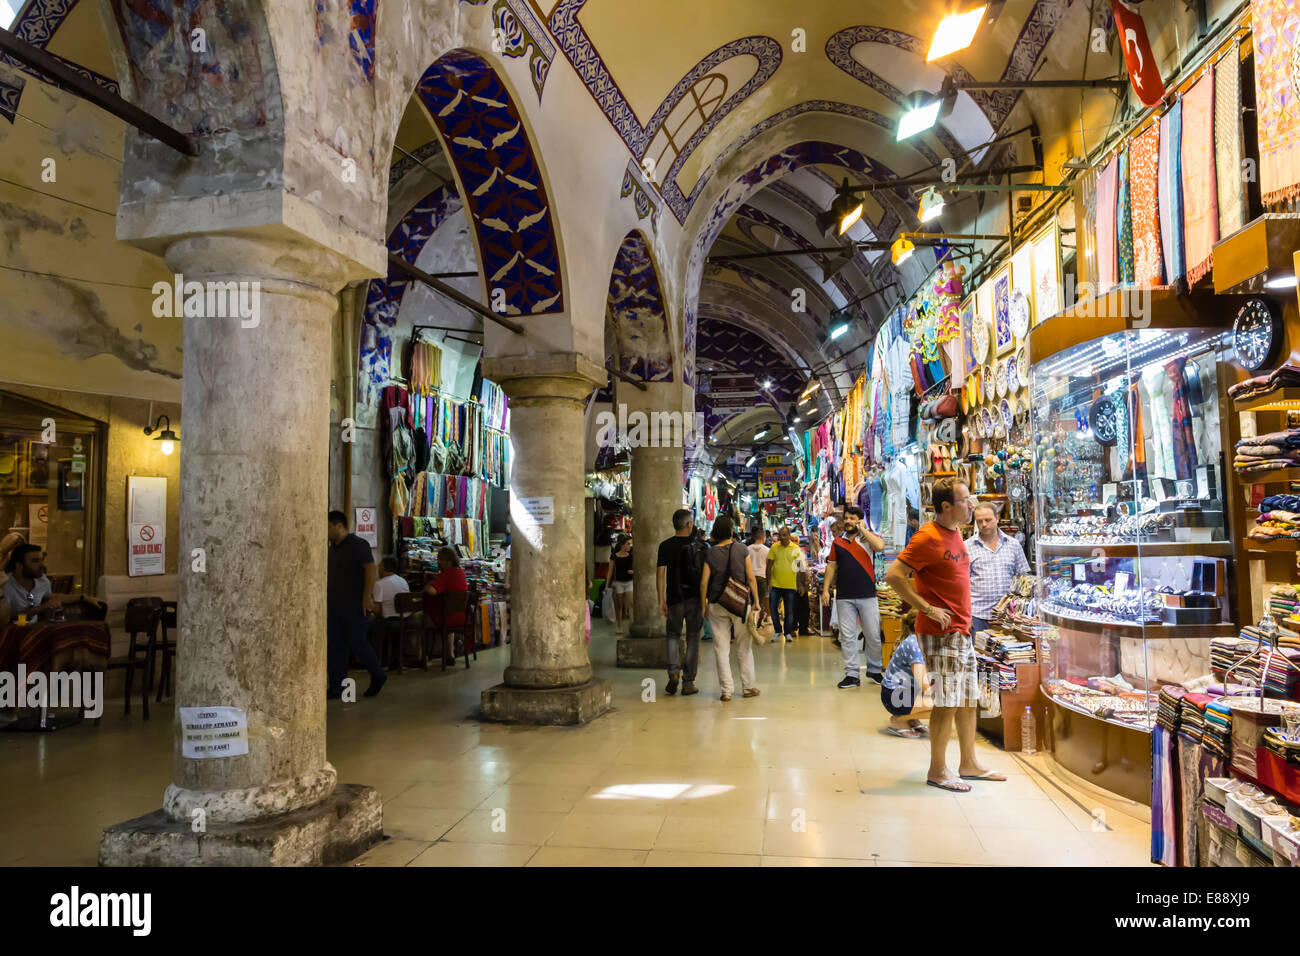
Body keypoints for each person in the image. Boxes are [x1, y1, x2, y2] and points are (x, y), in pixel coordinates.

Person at [885, 479, 1005, 792]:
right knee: (947, 700)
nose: (972, 505)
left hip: (962, 629)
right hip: (941, 632)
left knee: (967, 699)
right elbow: (894, 575)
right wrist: (927, 607)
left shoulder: (957, 534)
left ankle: (969, 763)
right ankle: (937, 769)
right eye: (965, 500)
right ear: (946, 506)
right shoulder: (927, 536)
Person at [699, 515, 763, 702]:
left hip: (717, 603)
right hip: (741, 603)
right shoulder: (742, 549)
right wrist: (757, 602)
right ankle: (748, 687)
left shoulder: (710, 553)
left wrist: (704, 605)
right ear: (731, 530)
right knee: (744, 647)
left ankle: (726, 691)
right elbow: (751, 578)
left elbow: (704, 582)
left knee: (721, 648)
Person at [822, 505, 886, 688]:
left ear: (859, 520)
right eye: (846, 518)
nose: (848, 521)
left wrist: (863, 528)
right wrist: (826, 589)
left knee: (873, 634)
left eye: (852, 518)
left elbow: (880, 547)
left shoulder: (867, 539)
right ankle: (852, 675)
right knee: (847, 636)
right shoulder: (837, 542)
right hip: (844, 596)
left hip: (867, 594)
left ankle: (874, 670)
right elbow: (831, 566)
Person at [327, 510, 386, 699]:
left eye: (328, 527)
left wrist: (366, 596)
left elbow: (370, 567)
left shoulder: (357, 544)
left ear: (339, 526)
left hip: (355, 605)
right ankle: (338, 687)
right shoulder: (333, 548)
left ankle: (378, 674)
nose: (325, 531)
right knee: (336, 647)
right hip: (335, 606)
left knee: (358, 642)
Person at [657, 508, 707, 696]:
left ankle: (673, 674)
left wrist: (661, 599)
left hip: (674, 598)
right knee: (693, 637)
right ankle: (688, 682)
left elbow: (660, 574)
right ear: (689, 525)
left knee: (672, 635)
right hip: (694, 598)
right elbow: (704, 577)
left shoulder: (665, 546)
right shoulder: (700, 546)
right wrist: (705, 602)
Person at [966, 503, 1030, 636]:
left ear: (997, 518)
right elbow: (963, 585)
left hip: (1009, 616)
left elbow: (1023, 579)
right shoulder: (967, 547)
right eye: (979, 521)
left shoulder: (1013, 545)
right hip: (978, 615)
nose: (983, 524)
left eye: (987, 520)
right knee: (979, 655)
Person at [880, 610, 934, 738]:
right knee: (945, 703)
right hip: (894, 696)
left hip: (905, 691)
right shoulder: (914, 645)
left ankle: (912, 719)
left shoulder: (920, 641)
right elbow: (926, 686)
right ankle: (900, 719)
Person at [424, 546, 470, 666]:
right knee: (448, 615)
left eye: (440, 559)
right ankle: (450, 654)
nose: (437, 562)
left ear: (448, 561)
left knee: (417, 619)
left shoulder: (446, 574)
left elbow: (431, 591)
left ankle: (420, 657)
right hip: (460, 618)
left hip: (445, 619)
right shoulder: (461, 574)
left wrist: (429, 583)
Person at [368, 556, 409, 668]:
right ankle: (392, 660)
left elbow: (377, 610)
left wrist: (368, 602)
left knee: (369, 624)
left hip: (389, 621)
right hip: (405, 620)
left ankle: (374, 660)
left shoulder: (380, 584)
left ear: (384, 568)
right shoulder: (403, 581)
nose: (378, 568)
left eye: (380, 566)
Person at [766, 526, 803, 642]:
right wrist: (768, 583)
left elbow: (799, 568)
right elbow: (769, 566)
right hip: (775, 584)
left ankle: (787, 632)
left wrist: (800, 584)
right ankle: (777, 630)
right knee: (772, 608)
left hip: (790, 585)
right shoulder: (774, 547)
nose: (781, 537)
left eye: (784, 535)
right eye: (780, 535)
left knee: (789, 610)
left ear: (789, 536)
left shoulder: (795, 548)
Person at [610, 535, 634, 633]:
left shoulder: (631, 556)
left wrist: (633, 571)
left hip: (629, 582)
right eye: (628, 544)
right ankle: (619, 626)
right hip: (619, 583)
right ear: (623, 545)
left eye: (630, 544)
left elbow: (634, 568)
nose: (629, 546)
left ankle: (632, 626)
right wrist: (608, 585)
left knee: (631, 604)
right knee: (619, 606)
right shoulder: (615, 556)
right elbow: (610, 571)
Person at [747, 527, 770, 614]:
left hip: (750, 578)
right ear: (763, 538)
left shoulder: (747, 549)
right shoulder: (767, 550)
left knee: (751, 601)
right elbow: (769, 567)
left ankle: (751, 620)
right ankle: (756, 622)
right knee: (760, 602)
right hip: (762, 578)